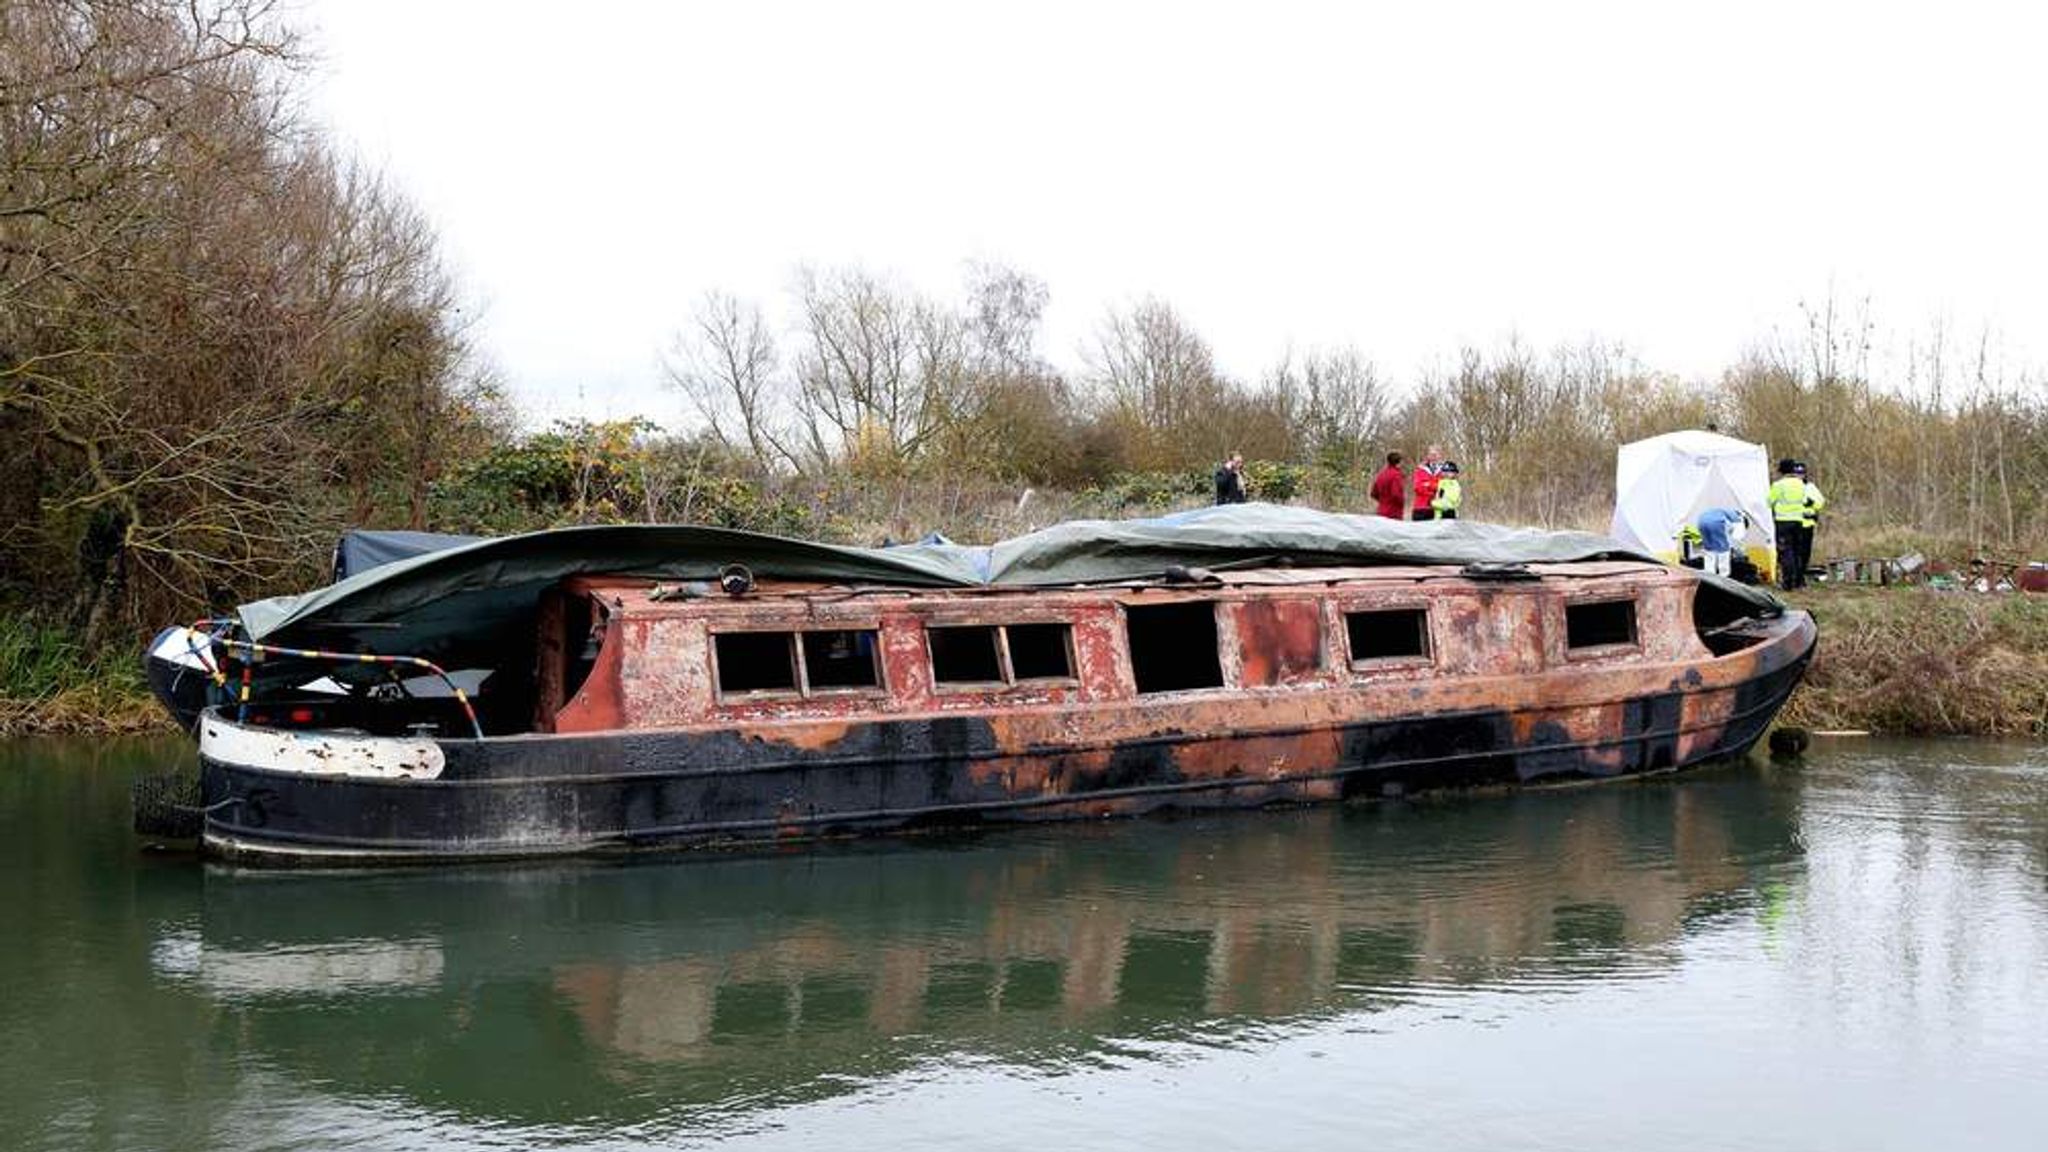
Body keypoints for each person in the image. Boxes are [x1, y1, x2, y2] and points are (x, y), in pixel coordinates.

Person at [1767, 457, 1810, 589]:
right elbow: (1806, 501)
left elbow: (1769, 501)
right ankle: (1798, 581)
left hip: (1783, 521)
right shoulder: (1801, 484)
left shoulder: (1779, 485)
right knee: (1797, 551)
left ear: (1781, 471)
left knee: (1786, 552)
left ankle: (1787, 582)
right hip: (1799, 521)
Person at [1694, 506, 1746, 577]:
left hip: (1701, 522)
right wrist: (1740, 552)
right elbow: (1737, 538)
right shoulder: (1739, 519)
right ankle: (1724, 575)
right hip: (1716, 523)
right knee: (1724, 550)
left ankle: (1709, 575)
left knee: (1709, 549)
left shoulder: (1723, 511)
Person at [1796, 461, 1825, 579]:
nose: (1799, 476)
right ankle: (1796, 574)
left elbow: (1821, 502)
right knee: (1795, 551)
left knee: (1805, 552)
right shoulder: (1788, 486)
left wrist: (1812, 503)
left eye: (1801, 473)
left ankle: (1801, 572)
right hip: (1795, 523)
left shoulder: (1810, 487)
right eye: (1797, 473)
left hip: (1807, 523)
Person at [1410, 445, 1444, 522]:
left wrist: (1428, 484)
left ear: (1440, 456)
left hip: (1437, 509)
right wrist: (1434, 489)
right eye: (1431, 454)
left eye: (1436, 454)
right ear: (1428, 455)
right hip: (1421, 507)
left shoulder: (1445, 471)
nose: (1434, 457)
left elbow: (1444, 488)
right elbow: (1418, 488)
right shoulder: (1420, 469)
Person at [1370, 451, 1406, 519]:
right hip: (1394, 513)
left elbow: (1373, 493)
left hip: (1381, 511)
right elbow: (1396, 494)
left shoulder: (1381, 474)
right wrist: (1401, 502)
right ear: (1399, 462)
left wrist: (1382, 501)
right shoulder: (1396, 475)